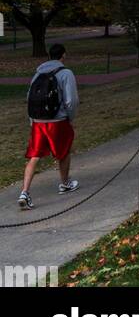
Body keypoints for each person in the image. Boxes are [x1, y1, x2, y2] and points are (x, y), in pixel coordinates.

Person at [18, 43, 79, 209]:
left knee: (34, 155)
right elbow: (70, 100)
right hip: (57, 121)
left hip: (38, 121)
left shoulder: (38, 73)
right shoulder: (66, 73)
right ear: (63, 56)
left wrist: (33, 119)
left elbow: (30, 96)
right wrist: (70, 117)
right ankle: (65, 183)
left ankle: (25, 192)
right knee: (64, 151)